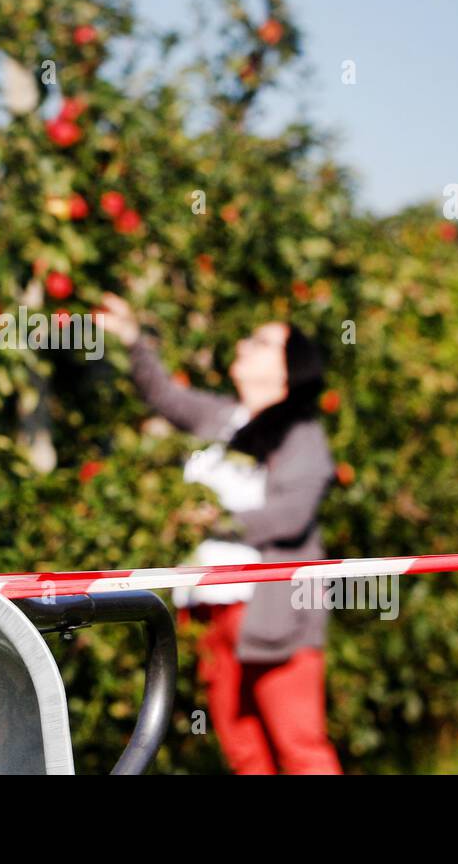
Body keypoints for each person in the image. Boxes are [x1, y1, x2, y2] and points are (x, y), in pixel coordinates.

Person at [96, 293, 342, 775]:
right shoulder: (222, 418)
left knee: (299, 743)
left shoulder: (301, 434)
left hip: (272, 608)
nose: (246, 344)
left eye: (263, 341)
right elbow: (163, 395)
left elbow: (290, 516)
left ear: (288, 367)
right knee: (242, 746)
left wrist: (212, 519)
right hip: (210, 607)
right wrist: (132, 339)